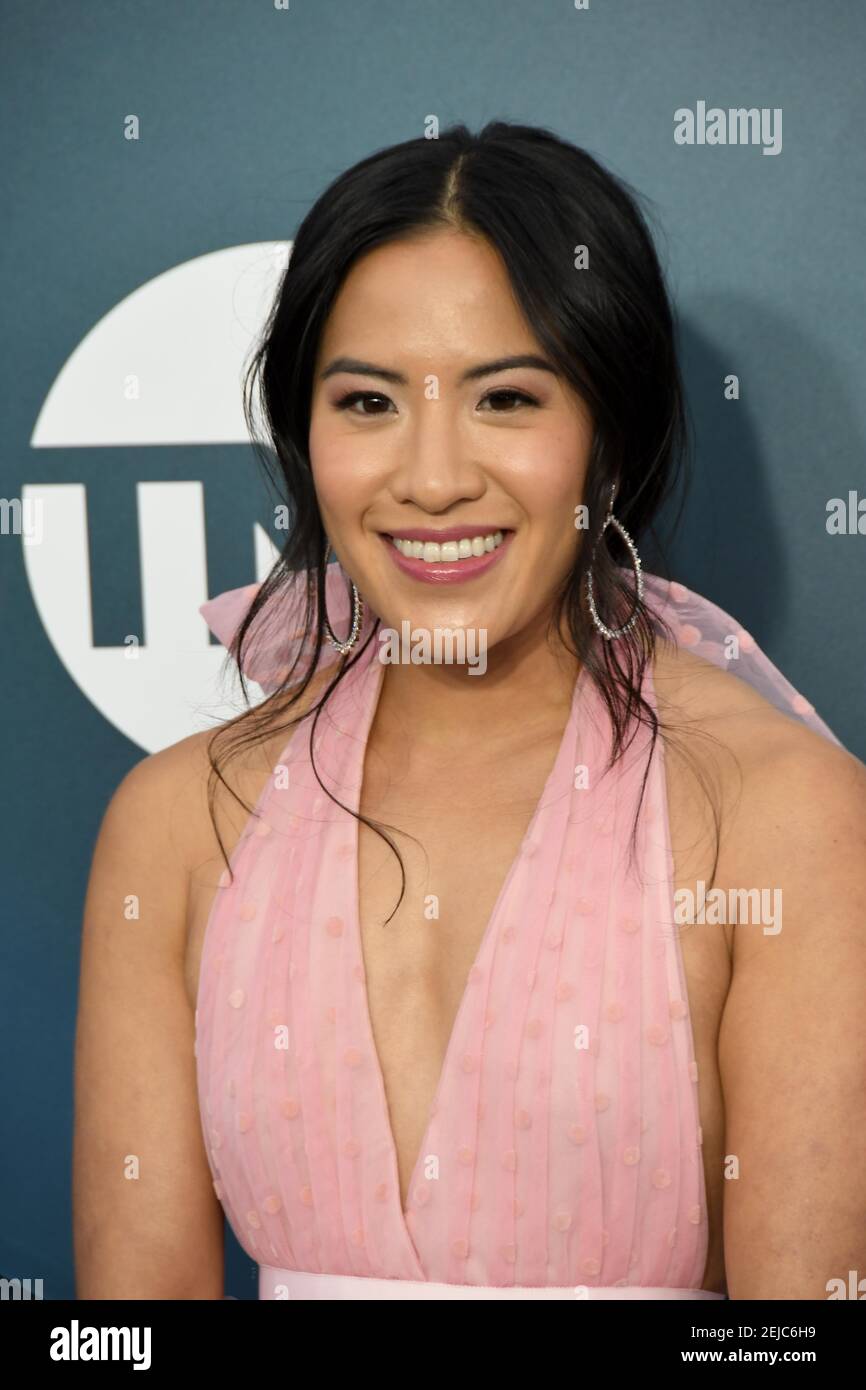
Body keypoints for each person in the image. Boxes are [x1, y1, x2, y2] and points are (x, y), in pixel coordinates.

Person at [73, 121, 866, 1301]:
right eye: (367, 402)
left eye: (504, 397)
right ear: (304, 435)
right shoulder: (180, 817)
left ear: (606, 432)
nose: (433, 477)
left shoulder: (782, 814)